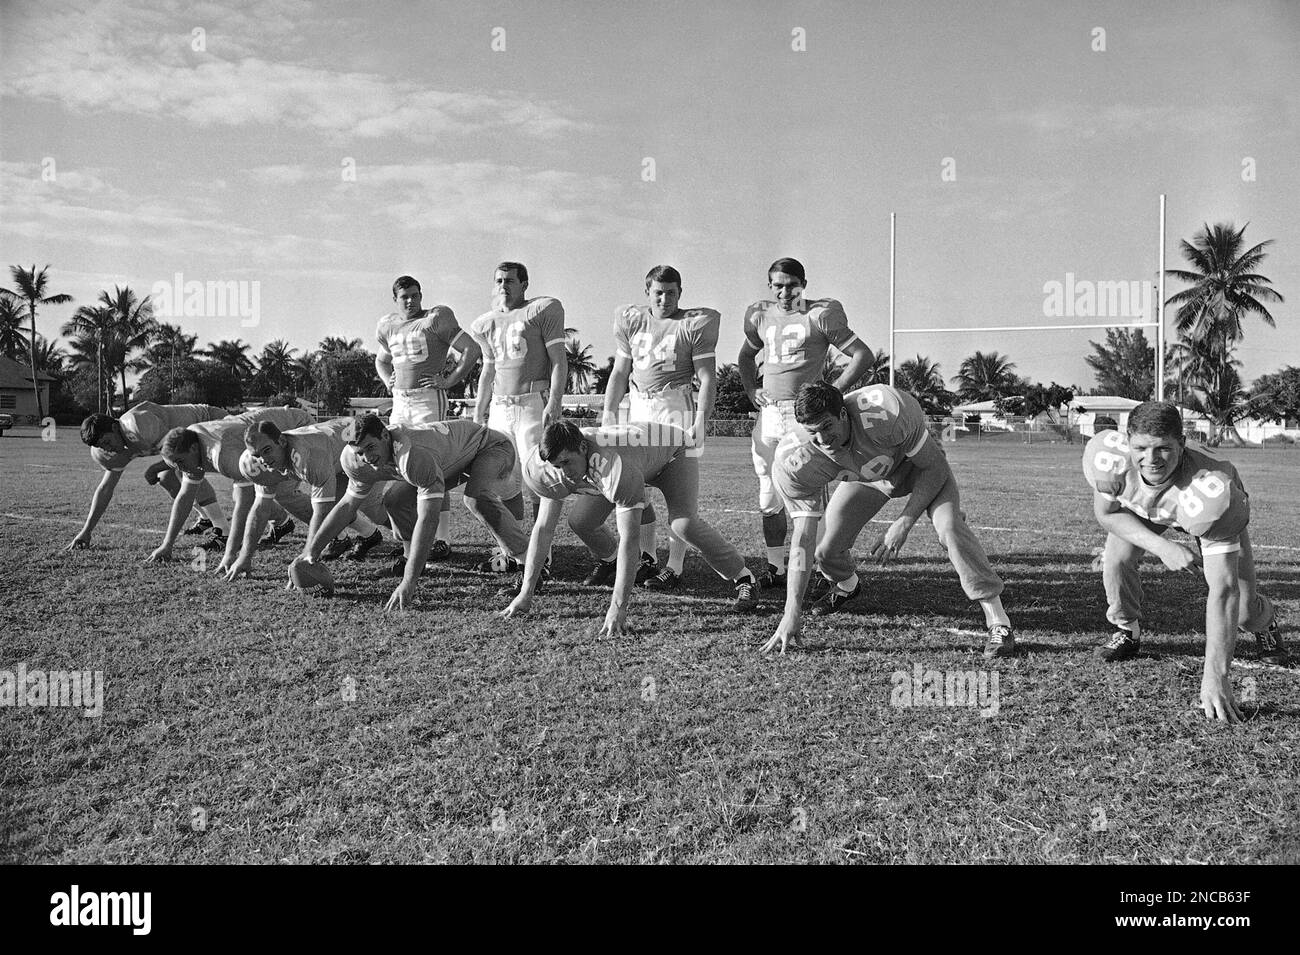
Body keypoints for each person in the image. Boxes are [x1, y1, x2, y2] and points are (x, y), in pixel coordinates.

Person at [762, 381, 1014, 658]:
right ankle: (847, 587)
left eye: (827, 427)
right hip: (870, 479)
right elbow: (802, 539)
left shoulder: (885, 411)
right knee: (825, 551)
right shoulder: (795, 461)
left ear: (843, 414)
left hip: (918, 468)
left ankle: (998, 621)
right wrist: (791, 611)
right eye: (812, 432)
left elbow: (934, 466)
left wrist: (904, 521)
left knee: (950, 528)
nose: (822, 439)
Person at [1082, 401, 1288, 723]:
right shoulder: (1111, 459)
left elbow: (1223, 590)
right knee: (1116, 562)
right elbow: (1106, 514)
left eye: (1163, 448)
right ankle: (1127, 630)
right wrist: (1162, 547)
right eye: (1141, 448)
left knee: (1243, 611)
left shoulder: (1213, 486)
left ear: (1182, 443)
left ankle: (1265, 621)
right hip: (1147, 510)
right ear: (1127, 440)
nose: (1151, 459)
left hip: (1200, 505)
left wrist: (1216, 676)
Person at [501, 420, 760, 637]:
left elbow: (630, 538)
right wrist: (526, 593)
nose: (564, 473)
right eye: (557, 466)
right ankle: (610, 560)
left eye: (567, 463)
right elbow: (543, 529)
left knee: (683, 524)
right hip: (630, 458)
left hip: (673, 453)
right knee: (581, 522)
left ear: (582, 447)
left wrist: (618, 608)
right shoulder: (552, 467)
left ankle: (743, 577)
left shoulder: (612, 465)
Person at [737, 258, 875, 589]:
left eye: (792, 285)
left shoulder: (820, 314)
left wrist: (832, 393)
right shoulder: (759, 315)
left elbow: (863, 355)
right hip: (770, 414)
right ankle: (776, 567)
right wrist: (751, 389)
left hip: (804, 420)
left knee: (811, 499)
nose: (785, 292)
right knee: (768, 497)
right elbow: (745, 356)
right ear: (769, 286)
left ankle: (826, 573)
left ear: (804, 284)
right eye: (778, 286)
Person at [301, 414, 528, 611]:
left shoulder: (412, 454)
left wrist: (409, 582)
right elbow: (346, 506)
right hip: (449, 458)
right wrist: (311, 552)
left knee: (476, 498)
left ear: (385, 436)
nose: (366, 458)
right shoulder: (354, 460)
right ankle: (409, 558)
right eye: (360, 452)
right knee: (395, 500)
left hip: (490, 447)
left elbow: (428, 519)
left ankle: (528, 563)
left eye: (370, 448)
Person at [600, 265, 719, 590]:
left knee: (679, 494)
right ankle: (648, 556)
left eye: (671, 293)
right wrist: (609, 411)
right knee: (636, 483)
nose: (664, 299)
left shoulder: (693, 324)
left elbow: (707, 377)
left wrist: (701, 421)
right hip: (638, 405)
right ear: (647, 292)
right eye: (658, 293)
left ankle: (674, 567)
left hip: (674, 406)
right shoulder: (632, 321)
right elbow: (620, 373)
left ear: (680, 293)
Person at [375, 275, 482, 560]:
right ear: (395, 300)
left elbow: (472, 349)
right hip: (400, 401)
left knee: (434, 466)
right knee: (402, 465)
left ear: (421, 295)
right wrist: (387, 380)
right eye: (404, 297)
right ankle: (414, 536)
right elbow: (381, 360)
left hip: (427, 399)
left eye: (415, 295)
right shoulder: (388, 325)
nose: (411, 301)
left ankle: (441, 538)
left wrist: (449, 380)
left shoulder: (436, 318)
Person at [469, 262, 567, 571]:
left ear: (524, 284)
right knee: (503, 482)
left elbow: (558, 360)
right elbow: (488, 370)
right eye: (498, 280)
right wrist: (480, 409)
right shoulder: (486, 323)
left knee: (539, 478)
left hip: (531, 403)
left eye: (510, 280)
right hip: (500, 406)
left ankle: (542, 552)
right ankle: (512, 549)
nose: (503, 285)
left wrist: (555, 400)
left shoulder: (541, 310)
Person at [221, 417, 398, 580]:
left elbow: (321, 512)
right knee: (340, 507)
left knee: (371, 506)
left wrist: (307, 555)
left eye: (267, 450)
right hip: (332, 458)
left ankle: (411, 541)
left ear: (281, 441)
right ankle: (369, 536)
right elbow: (260, 510)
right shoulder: (254, 464)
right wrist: (243, 556)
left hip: (353, 449)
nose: (264, 460)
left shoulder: (309, 455)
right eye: (257, 455)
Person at [147, 408, 315, 565]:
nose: (180, 468)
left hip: (296, 425)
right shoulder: (189, 443)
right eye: (175, 464)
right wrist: (167, 545)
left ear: (193, 449)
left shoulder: (225, 455)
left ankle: (330, 535)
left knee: (282, 492)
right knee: (261, 490)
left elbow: (245, 504)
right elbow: (185, 497)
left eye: (180, 462)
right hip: (265, 435)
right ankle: (282, 523)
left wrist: (230, 554)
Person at [67, 401, 230, 550]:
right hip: (185, 440)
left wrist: (154, 468)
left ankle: (223, 532)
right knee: (167, 478)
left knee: (189, 469)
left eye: (107, 442)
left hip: (209, 421)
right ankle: (206, 518)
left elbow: (178, 454)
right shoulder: (108, 450)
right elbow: (105, 489)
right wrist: (86, 530)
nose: (108, 449)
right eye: (102, 446)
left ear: (115, 428)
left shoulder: (138, 425)